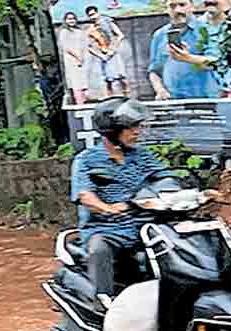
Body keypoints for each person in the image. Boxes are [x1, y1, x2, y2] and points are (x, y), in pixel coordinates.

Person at [70, 98, 166, 310]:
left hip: (146, 226)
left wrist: (196, 193)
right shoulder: (86, 160)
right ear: (112, 131)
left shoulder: (143, 156)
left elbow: (165, 178)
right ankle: (103, 307)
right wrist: (108, 208)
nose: (137, 132)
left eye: (137, 126)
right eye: (130, 128)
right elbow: (85, 196)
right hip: (108, 228)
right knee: (99, 248)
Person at [149, 0, 217, 99]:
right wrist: (160, 90)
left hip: (204, 99)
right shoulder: (159, 35)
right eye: (172, 6)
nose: (178, 10)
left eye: (182, 5)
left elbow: (217, 63)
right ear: (166, 9)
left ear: (192, 6)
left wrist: (188, 58)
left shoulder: (207, 30)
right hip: (172, 101)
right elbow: (154, 70)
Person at [85, 6, 130, 97]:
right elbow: (88, 46)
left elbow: (120, 35)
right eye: (90, 15)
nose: (93, 17)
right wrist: (99, 55)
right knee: (108, 81)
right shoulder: (91, 29)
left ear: (97, 13)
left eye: (94, 14)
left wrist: (113, 49)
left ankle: (127, 98)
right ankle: (111, 100)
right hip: (103, 56)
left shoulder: (108, 22)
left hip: (114, 53)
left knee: (122, 78)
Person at [61, 13, 90, 104]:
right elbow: (66, 47)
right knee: (76, 82)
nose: (71, 21)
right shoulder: (64, 32)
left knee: (83, 81)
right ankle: (79, 103)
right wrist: (77, 57)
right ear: (65, 20)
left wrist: (82, 57)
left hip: (82, 58)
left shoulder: (79, 32)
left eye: (73, 18)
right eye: (69, 19)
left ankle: (85, 102)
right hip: (71, 60)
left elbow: (84, 45)